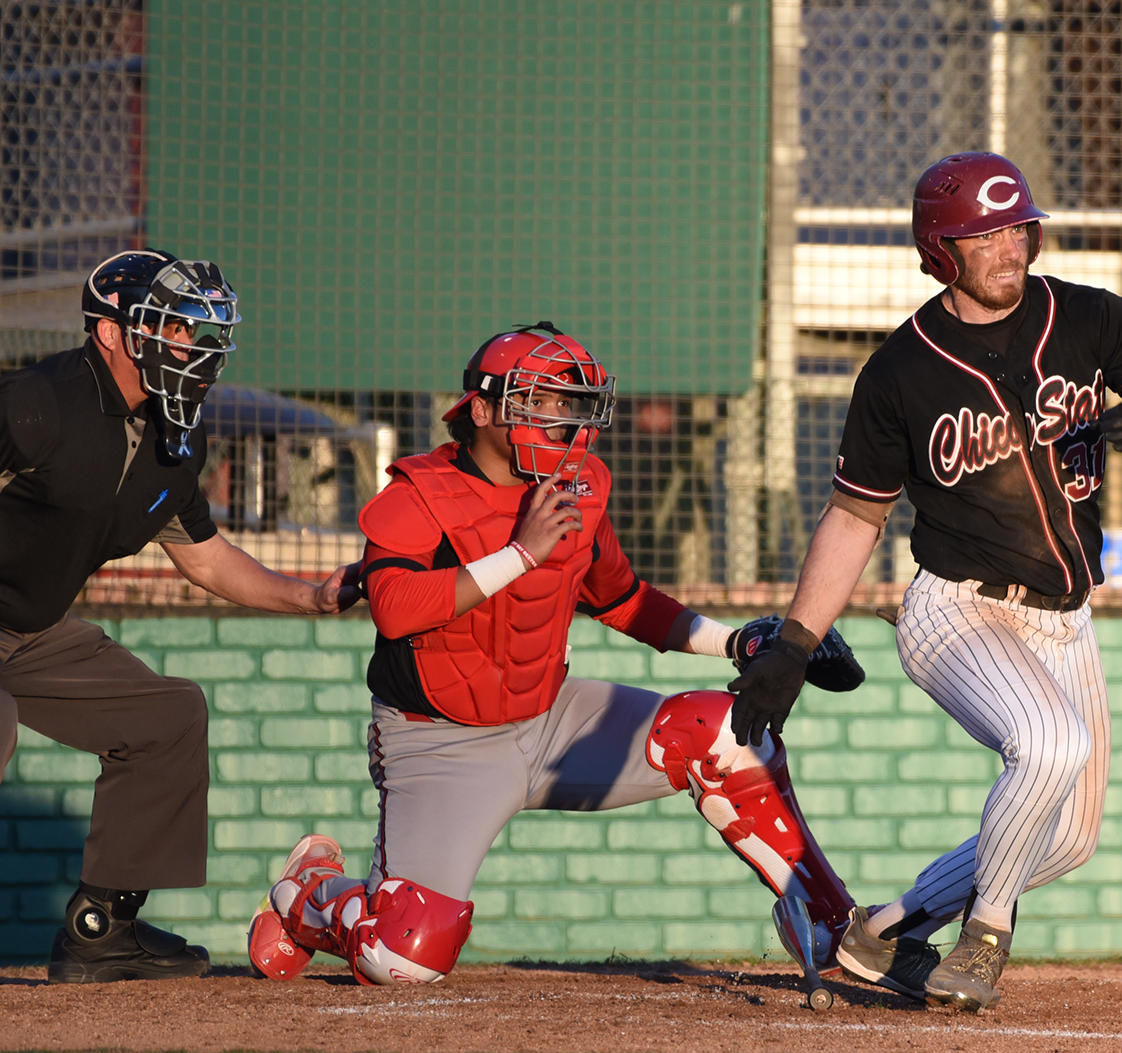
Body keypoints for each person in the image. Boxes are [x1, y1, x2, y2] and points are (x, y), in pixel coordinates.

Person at [726, 152, 1122, 1012]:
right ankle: (986, 937)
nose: (1007, 247)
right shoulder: (899, 373)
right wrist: (796, 646)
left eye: (1016, 227)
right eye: (982, 234)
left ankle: (874, 931)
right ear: (938, 249)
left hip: (1067, 619)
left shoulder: (1090, 317)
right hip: (957, 612)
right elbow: (853, 519)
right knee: (1051, 744)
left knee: (1063, 840)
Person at [245, 323, 864, 986]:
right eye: (542, 403)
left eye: (572, 406)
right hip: (440, 743)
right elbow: (393, 608)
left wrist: (733, 641)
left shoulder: (582, 483)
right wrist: (520, 554)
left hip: (551, 716)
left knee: (732, 734)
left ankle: (837, 929)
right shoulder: (417, 492)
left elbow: (620, 596)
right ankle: (311, 896)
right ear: (481, 410)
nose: (565, 424)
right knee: (402, 958)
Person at [0, 250, 360, 988]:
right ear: (113, 334)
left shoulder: (171, 434)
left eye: (203, 332)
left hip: (28, 629)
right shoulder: (37, 401)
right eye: (176, 328)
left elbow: (208, 558)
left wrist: (312, 596)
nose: (197, 347)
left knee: (169, 714)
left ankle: (103, 930)